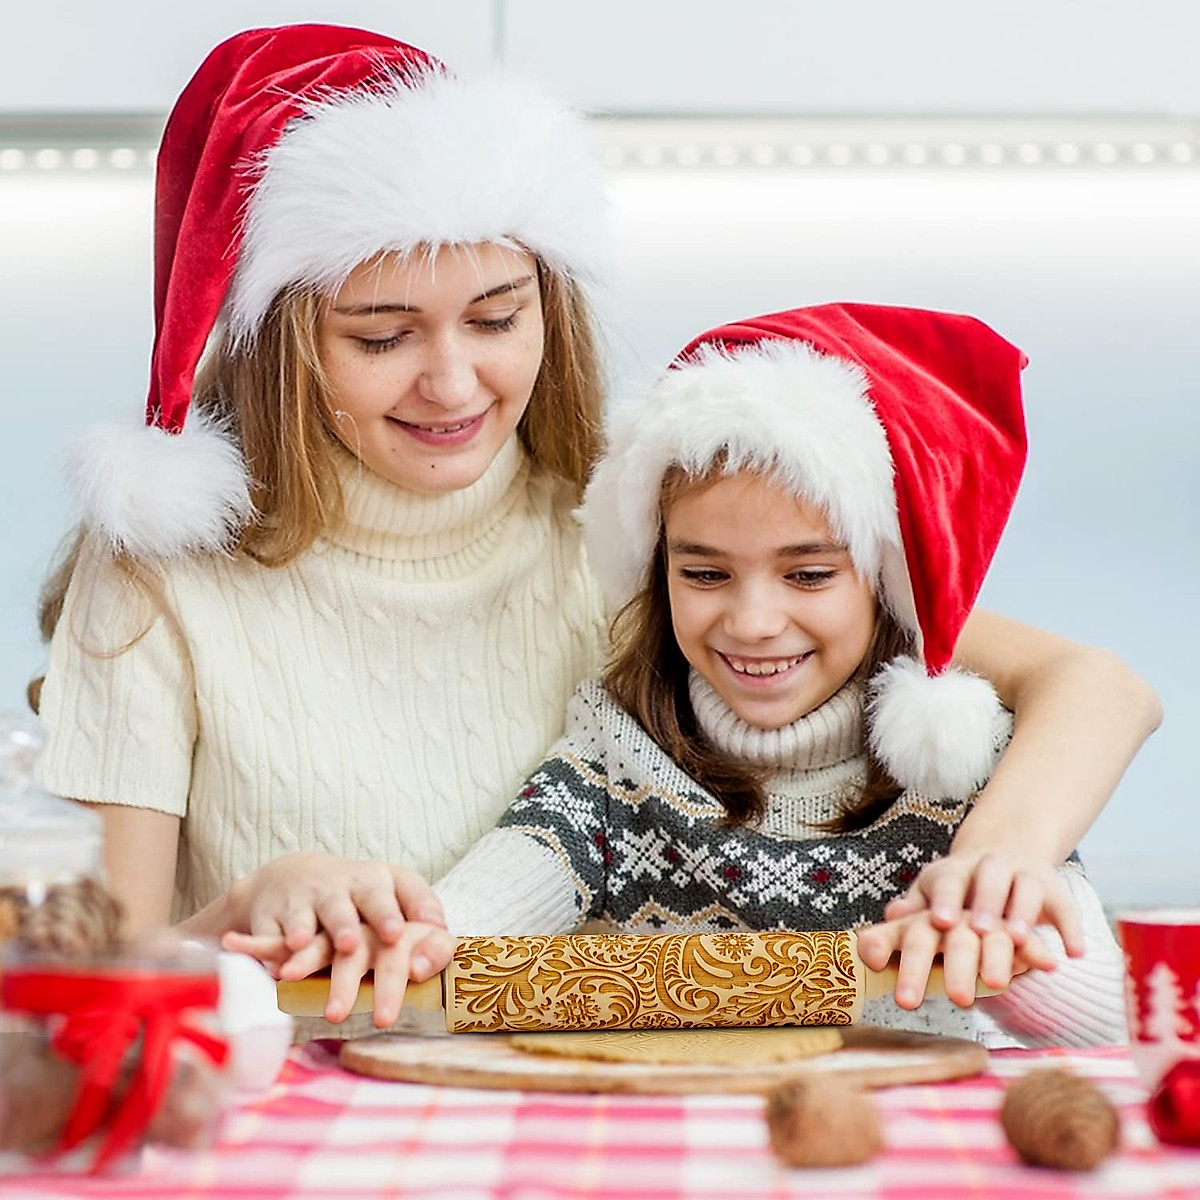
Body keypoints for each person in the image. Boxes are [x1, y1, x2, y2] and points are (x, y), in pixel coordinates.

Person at [32, 24, 1157, 1031]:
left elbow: (1093, 687)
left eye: (496, 318)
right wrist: (244, 906)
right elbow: (81, 995)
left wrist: (993, 871)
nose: (453, 384)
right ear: (278, 343)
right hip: (299, 1112)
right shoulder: (155, 583)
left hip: (577, 1104)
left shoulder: (634, 528)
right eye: (381, 338)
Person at [423, 303, 1129, 1046]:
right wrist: (392, 935)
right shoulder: (611, 762)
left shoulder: (977, 770)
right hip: (689, 1121)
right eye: (704, 573)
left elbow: (1121, 1026)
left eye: (809, 574)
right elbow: (450, 945)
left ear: (886, 582)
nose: (753, 621)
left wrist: (1008, 951)